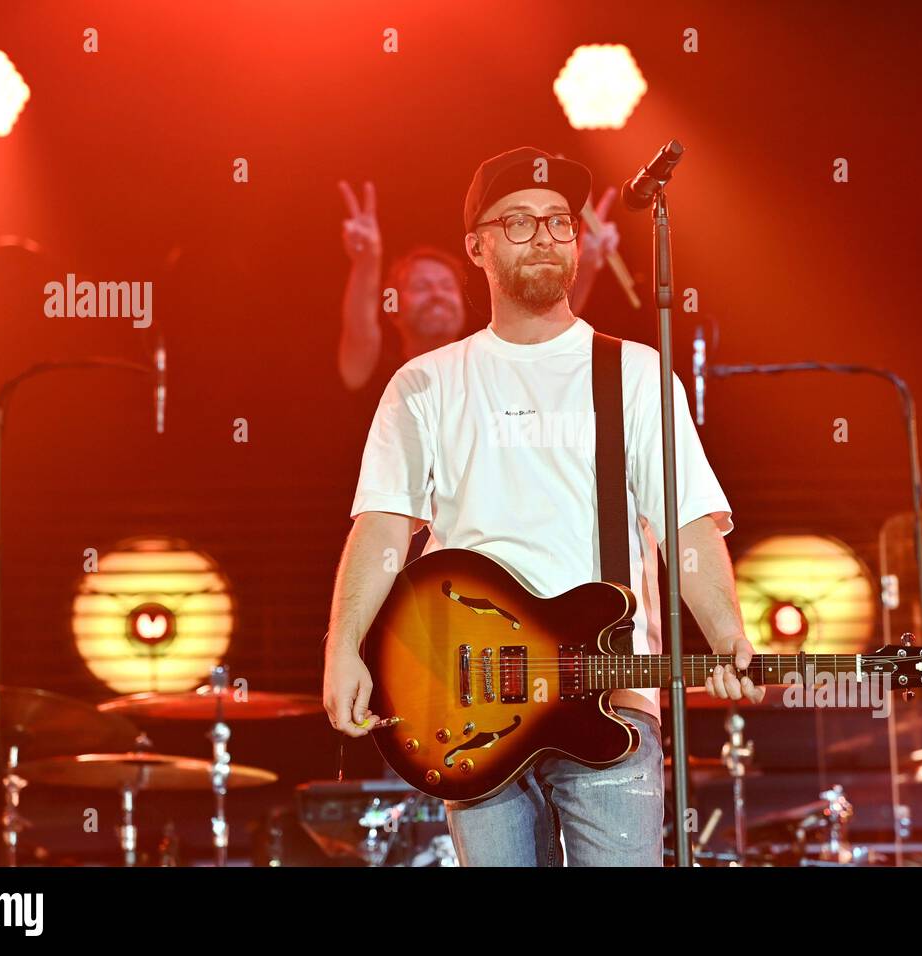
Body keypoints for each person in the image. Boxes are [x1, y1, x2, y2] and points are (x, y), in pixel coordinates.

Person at [323, 146, 761, 867]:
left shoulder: (635, 373)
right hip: (467, 705)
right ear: (478, 246)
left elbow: (687, 524)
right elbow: (383, 525)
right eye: (519, 223)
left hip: (612, 699)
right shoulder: (427, 382)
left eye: (559, 222)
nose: (545, 237)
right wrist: (344, 647)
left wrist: (725, 632)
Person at [335, 178, 621, 393]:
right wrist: (367, 261)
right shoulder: (377, 371)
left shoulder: (490, 365)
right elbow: (361, 333)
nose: (437, 294)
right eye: (421, 286)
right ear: (395, 308)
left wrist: (588, 260)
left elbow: (548, 319)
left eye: (447, 286)